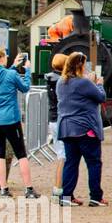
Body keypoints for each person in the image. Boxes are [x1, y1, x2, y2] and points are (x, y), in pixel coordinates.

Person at [0, 47, 39, 199]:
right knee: (21, 153)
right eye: (5, 57)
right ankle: (28, 189)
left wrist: (14, 65)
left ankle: (4, 190)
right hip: (10, 119)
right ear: (1, 59)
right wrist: (27, 71)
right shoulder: (11, 74)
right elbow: (25, 88)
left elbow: (3, 76)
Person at [56, 52, 107, 207]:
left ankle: (66, 196)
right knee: (93, 163)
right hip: (85, 128)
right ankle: (95, 197)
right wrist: (98, 84)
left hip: (66, 127)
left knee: (71, 163)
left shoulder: (61, 82)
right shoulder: (83, 83)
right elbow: (101, 97)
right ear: (80, 66)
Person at [44, 53, 69, 199]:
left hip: (52, 118)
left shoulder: (50, 79)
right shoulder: (62, 81)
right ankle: (59, 190)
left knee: (61, 154)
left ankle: (59, 189)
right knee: (63, 156)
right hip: (60, 118)